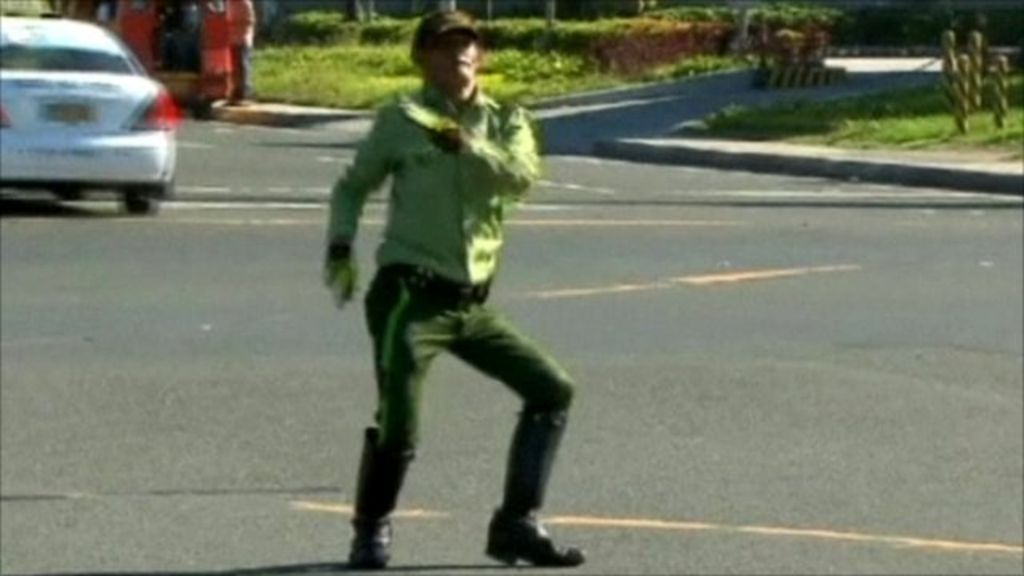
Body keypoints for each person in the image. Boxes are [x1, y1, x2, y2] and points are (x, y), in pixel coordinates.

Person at [322, 9, 586, 571]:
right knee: (401, 423)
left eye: (468, 44)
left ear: (481, 56)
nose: (460, 54)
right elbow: (352, 187)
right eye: (445, 45)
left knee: (551, 389)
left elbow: (520, 177)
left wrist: (467, 144)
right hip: (408, 297)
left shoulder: (508, 120)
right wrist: (341, 248)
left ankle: (516, 523)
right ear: (423, 58)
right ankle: (370, 528)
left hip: (468, 303)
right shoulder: (400, 119)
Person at [227, 0, 255, 103]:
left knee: (243, 66)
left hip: (243, 39)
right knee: (234, 67)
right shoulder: (230, 3)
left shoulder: (244, 3)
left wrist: (232, 22)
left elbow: (249, 21)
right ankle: (236, 90)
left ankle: (244, 91)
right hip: (232, 39)